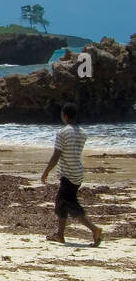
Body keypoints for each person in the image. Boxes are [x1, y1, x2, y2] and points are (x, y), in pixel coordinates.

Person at [41, 102, 102, 246]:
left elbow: (56, 156)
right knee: (62, 204)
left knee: (69, 205)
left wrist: (45, 172)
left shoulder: (62, 132)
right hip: (78, 172)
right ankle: (60, 235)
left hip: (68, 174)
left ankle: (94, 229)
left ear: (64, 115)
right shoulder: (82, 133)